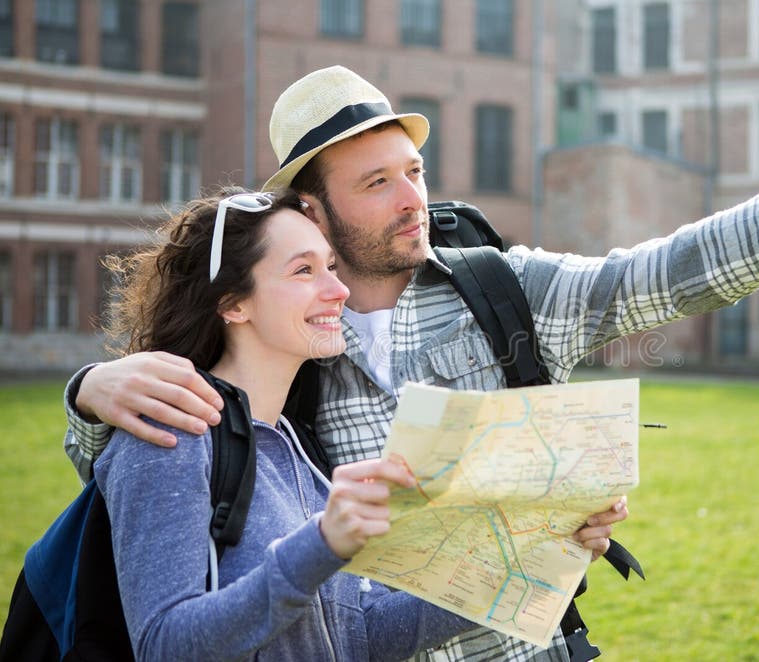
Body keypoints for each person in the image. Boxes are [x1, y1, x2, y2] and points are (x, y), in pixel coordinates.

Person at [63, 62, 759, 661]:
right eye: (376, 183)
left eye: (413, 169)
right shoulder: (282, 335)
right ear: (313, 204)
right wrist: (89, 393)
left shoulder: (505, 293)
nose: (413, 197)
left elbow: (672, 272)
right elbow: (152, 478)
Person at [91, 187, 476, 660]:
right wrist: (320, 544)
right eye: (303, 271)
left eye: (331, 267)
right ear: (234, 304)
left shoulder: (295, 447)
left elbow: (356, 638)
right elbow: (165, 644)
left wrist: (517, 566)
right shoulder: (173, 433)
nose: (339, 291)